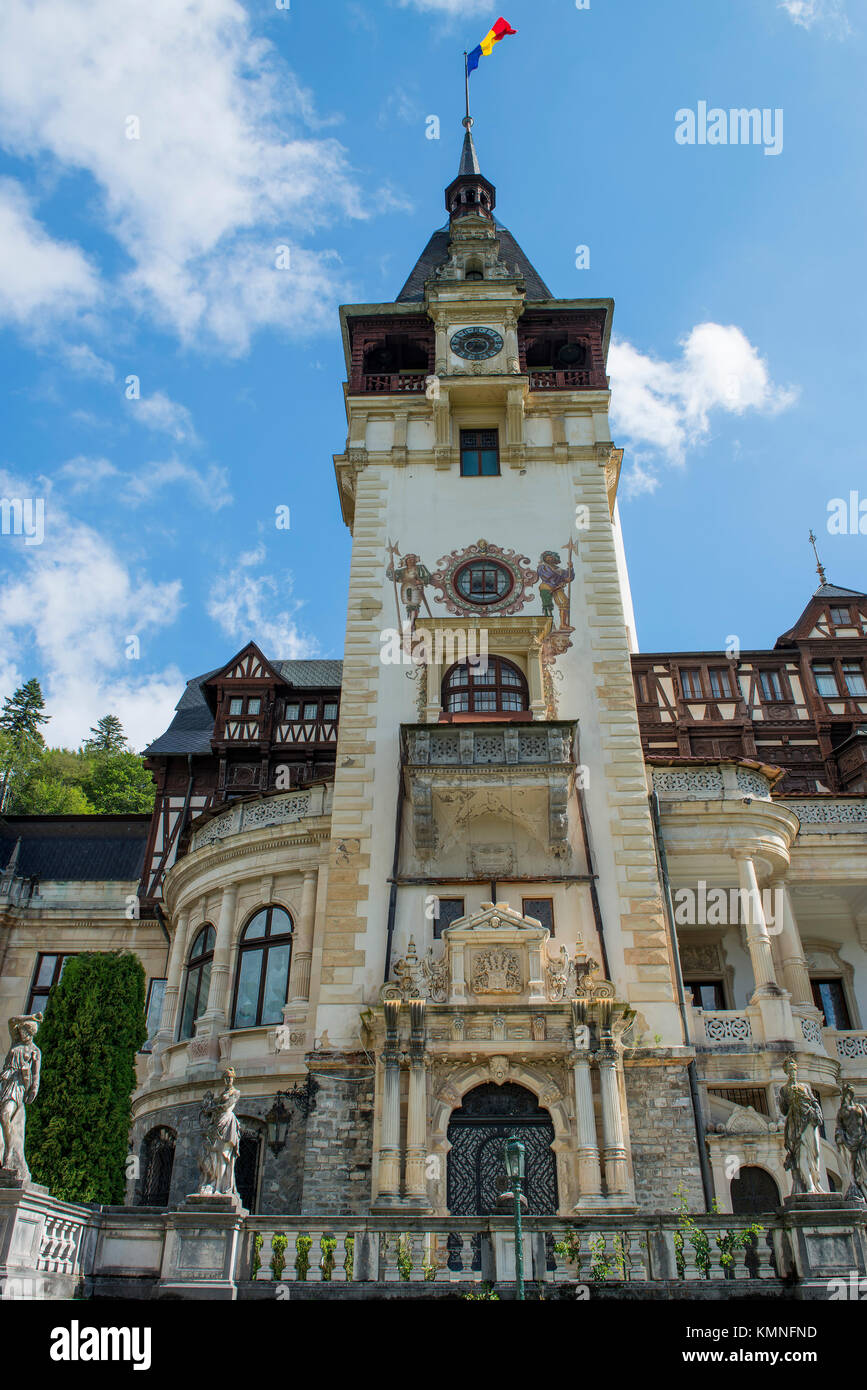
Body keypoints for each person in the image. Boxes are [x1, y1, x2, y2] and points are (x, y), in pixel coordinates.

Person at [0, 1012, 43, 1181]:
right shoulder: (15, 1042)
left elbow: (36, 1073)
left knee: (5, 1116)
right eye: (22, 1031)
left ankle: (8, 1155)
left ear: (31, 1033)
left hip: (17, 1087)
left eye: (25, 1032)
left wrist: (33, 1089)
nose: (22, 1034)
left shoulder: (34, 1051)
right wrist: (31, 1017)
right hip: (4, 1082)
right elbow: (11, 1020)